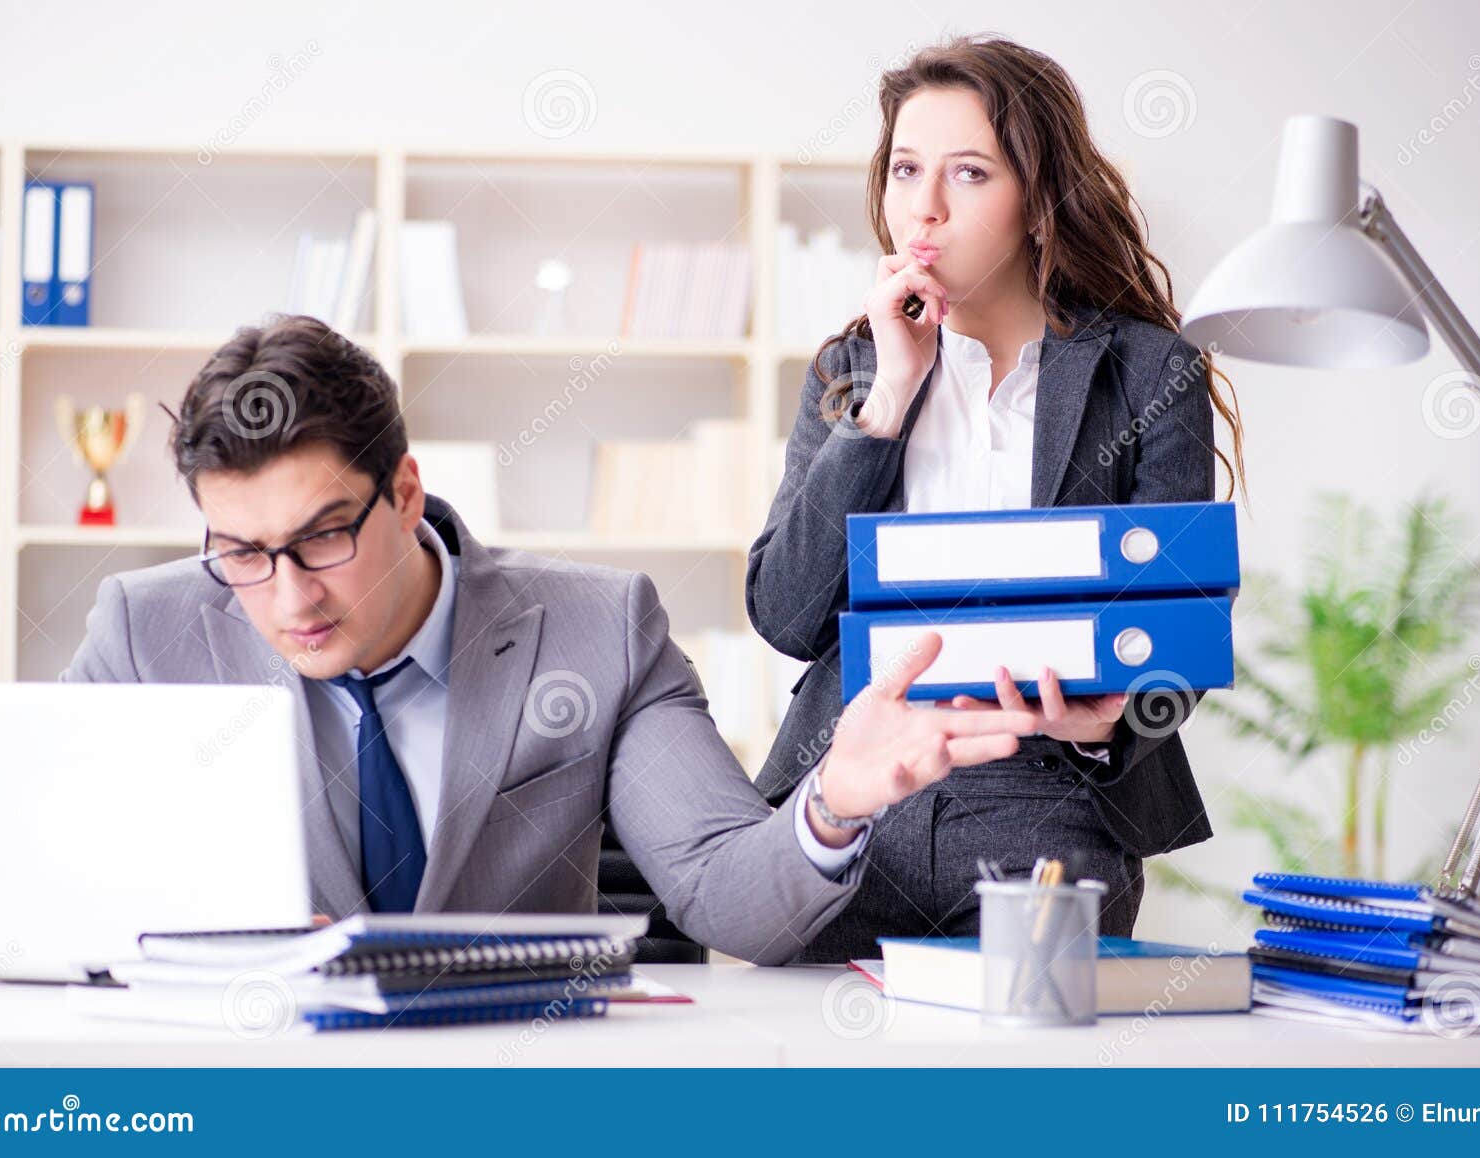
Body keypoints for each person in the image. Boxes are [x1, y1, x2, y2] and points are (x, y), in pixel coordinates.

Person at [63, 314, 1039, 966]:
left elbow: (725, 895)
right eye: (241, 551)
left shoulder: (598, 629)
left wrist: (833, 802)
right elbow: (50, 875)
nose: (288, 598)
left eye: (322, 538)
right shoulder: (145, 633)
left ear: (404, 494)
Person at [746, 36, 1246, 962]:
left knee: (1032, 1043)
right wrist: (889, 400)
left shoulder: (1149, 374)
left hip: (1049, 806)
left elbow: (1177, 627)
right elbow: (785, 613)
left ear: (1040, 199)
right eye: (906, 169)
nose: (923, 208)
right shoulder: (852, 369)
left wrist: (1106, 723)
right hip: (856, 791)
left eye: (969, 173)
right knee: (816, 1046)